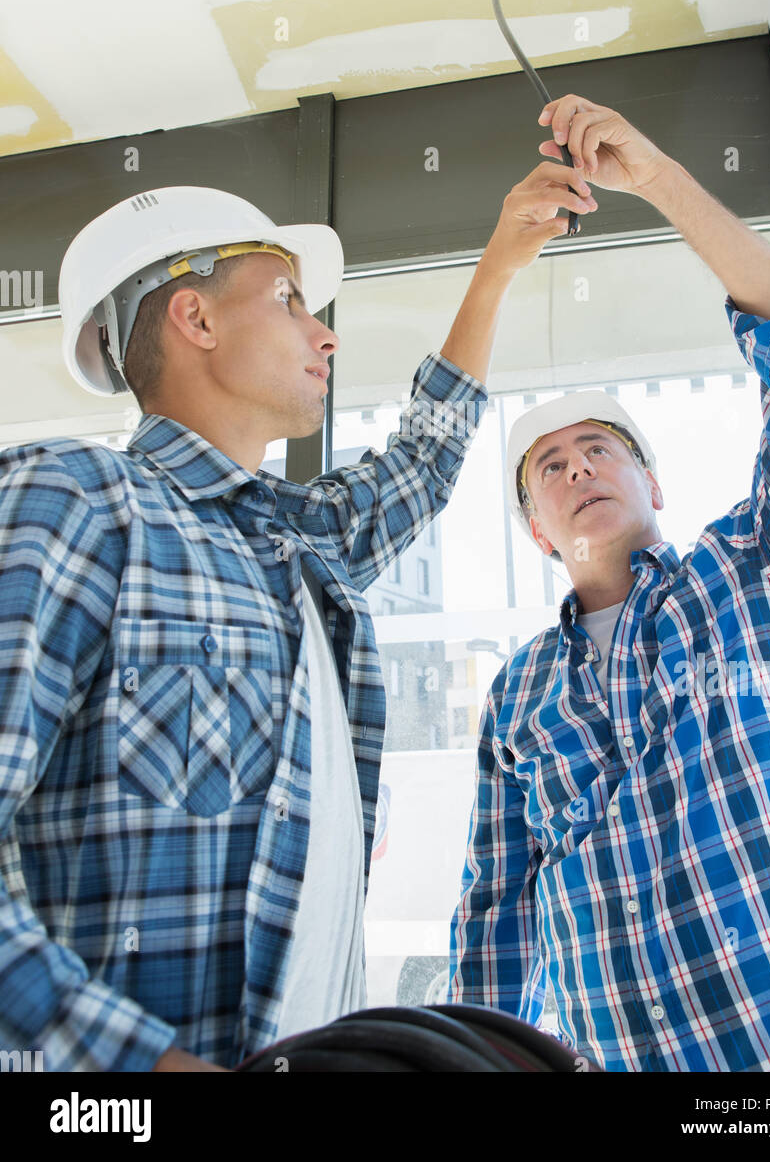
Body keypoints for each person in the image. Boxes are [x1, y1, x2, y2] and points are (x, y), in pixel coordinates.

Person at [0, 161, 598, 1072]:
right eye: (288, 298)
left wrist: (501, 263)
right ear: (193, 318)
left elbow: (422, 464)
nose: (325, 337)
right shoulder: (77, 501)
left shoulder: (301, 549)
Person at [448, 94, 770, 1072]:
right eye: (547, 468)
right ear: (536, 534)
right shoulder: (518, 694)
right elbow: (496, 913)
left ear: (652, 483)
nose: (575, 469)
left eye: (598, 449)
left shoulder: (760, 568)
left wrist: (658, 179)